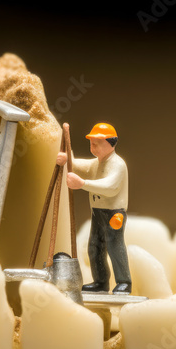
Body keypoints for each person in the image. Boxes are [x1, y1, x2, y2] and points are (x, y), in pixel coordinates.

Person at [57, 123, 131, 294]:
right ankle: (101, 282)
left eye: (97, 142)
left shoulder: (118, 164)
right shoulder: (98, 163)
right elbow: (82, 166)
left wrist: (82, 184)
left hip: (114, 213)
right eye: (91, 142)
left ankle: (124, 282)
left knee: (114, 246)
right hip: (98, 213)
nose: (93, 146)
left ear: (110, 142)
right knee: (94, 247)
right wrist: (68, 160)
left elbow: (110, 186)